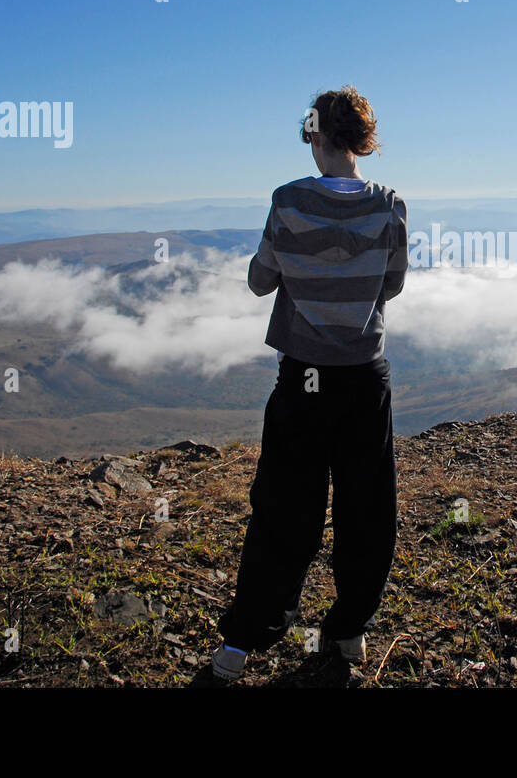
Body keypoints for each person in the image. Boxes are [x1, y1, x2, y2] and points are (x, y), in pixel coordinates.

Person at [210, 85, 408, 683]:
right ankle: (348, 630)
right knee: (367, 509)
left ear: (316, 134)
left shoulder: (288, 201)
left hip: (306, 377)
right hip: (365, 377)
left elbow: (259, 281)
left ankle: (248, 636)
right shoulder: (391, 204)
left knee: (283, 506)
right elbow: (392, 286)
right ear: (362, 138)